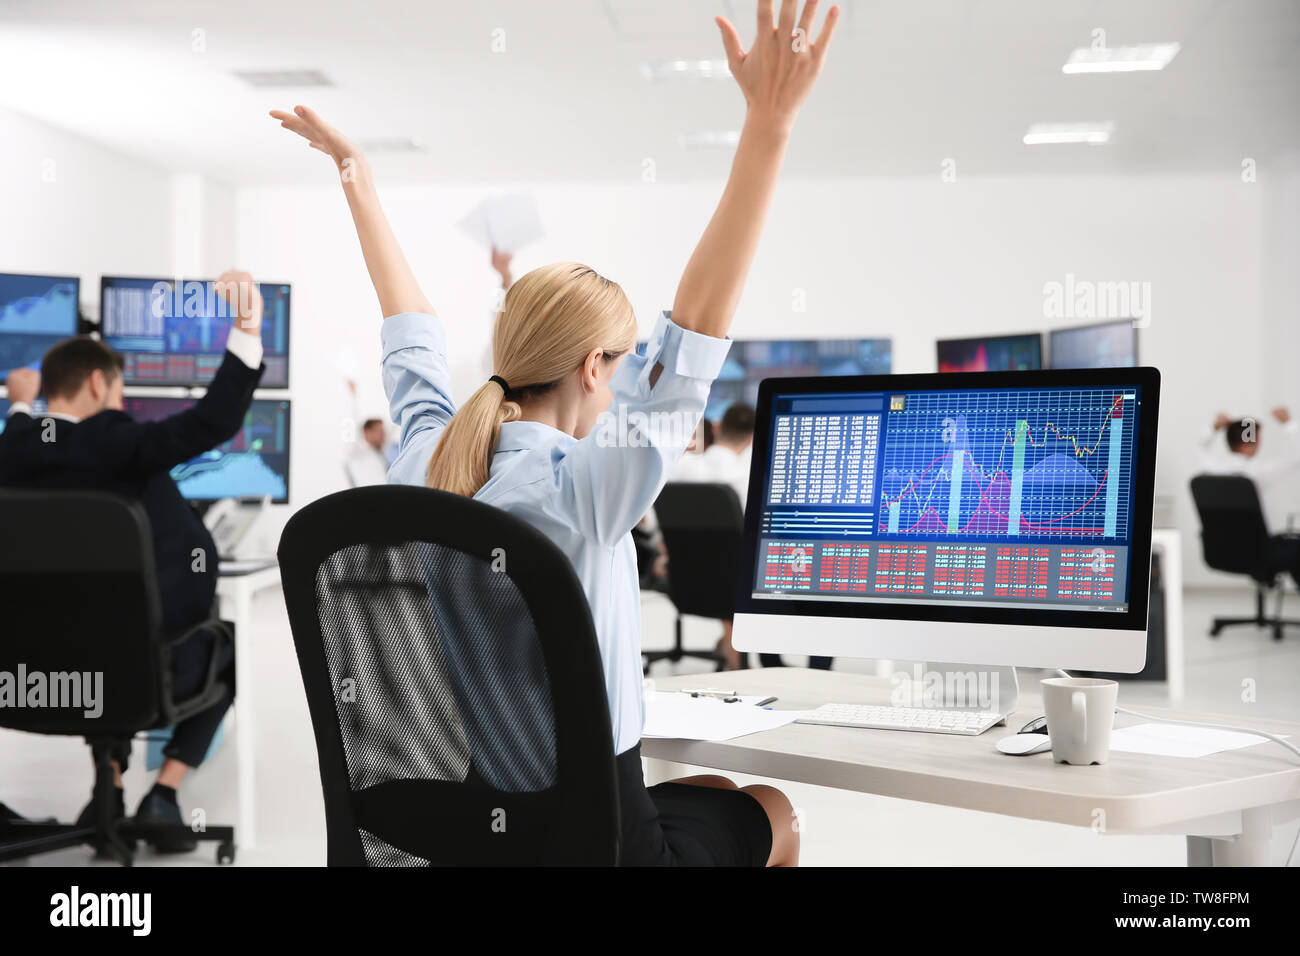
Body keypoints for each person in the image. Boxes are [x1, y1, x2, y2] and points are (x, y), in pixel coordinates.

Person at [272, 0, 838, 866]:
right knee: (772, 810)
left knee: (718, 797)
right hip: (596, 838)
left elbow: (410, 332)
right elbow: (696, 336)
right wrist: (770, 125)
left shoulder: (431, 458)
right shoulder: (586, 491)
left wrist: (358, 179)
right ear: (593, 368)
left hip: (486, 822)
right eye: (624, 363)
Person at [0, 272, 264, 852]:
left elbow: (24, 427)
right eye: (118, 393)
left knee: (100, 629)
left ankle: (109, 788)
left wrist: (20, 403)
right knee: (222, 646)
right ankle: (162, 793)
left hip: (25, 676)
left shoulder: (11, 450)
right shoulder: (116, 441)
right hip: (133, 670)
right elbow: (213, 421)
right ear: (99, 384)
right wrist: (247, 329)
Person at [1199, 406, 1300, 588]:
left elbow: (1199, 447)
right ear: (1251, 441)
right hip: (1260, 551)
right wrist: (1288, 424)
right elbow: (1297, 456)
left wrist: (1214, 427)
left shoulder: (1212, 467)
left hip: (1221, 551)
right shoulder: (1259, 471)